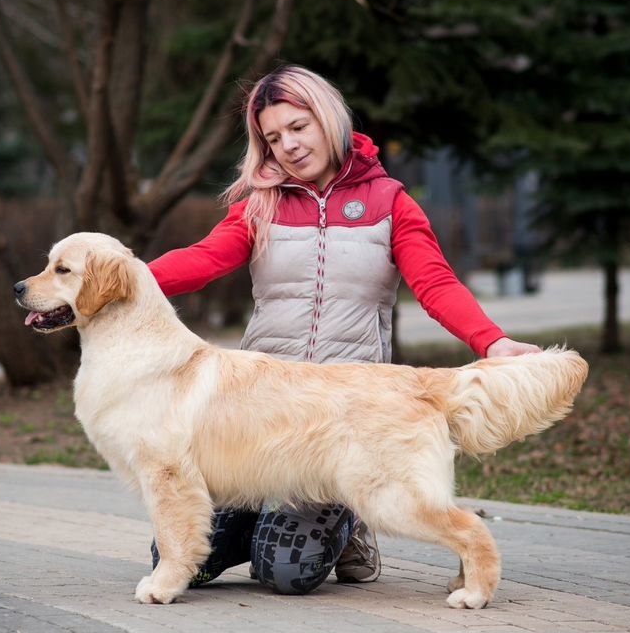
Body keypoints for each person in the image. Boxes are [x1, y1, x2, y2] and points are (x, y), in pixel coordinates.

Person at [146, 64, 540, 595]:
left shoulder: (389, 201)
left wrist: (492, 342)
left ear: (326, 117)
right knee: (180, 556)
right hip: (260, 411)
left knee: (283, 572)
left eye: (298, 126)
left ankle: (350, 519)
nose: (288, 145)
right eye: (273, 137)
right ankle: (275, 517)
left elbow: (436, 283)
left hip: (346, 419)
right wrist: (121, 282)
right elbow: (201, 261)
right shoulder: (259, 205)